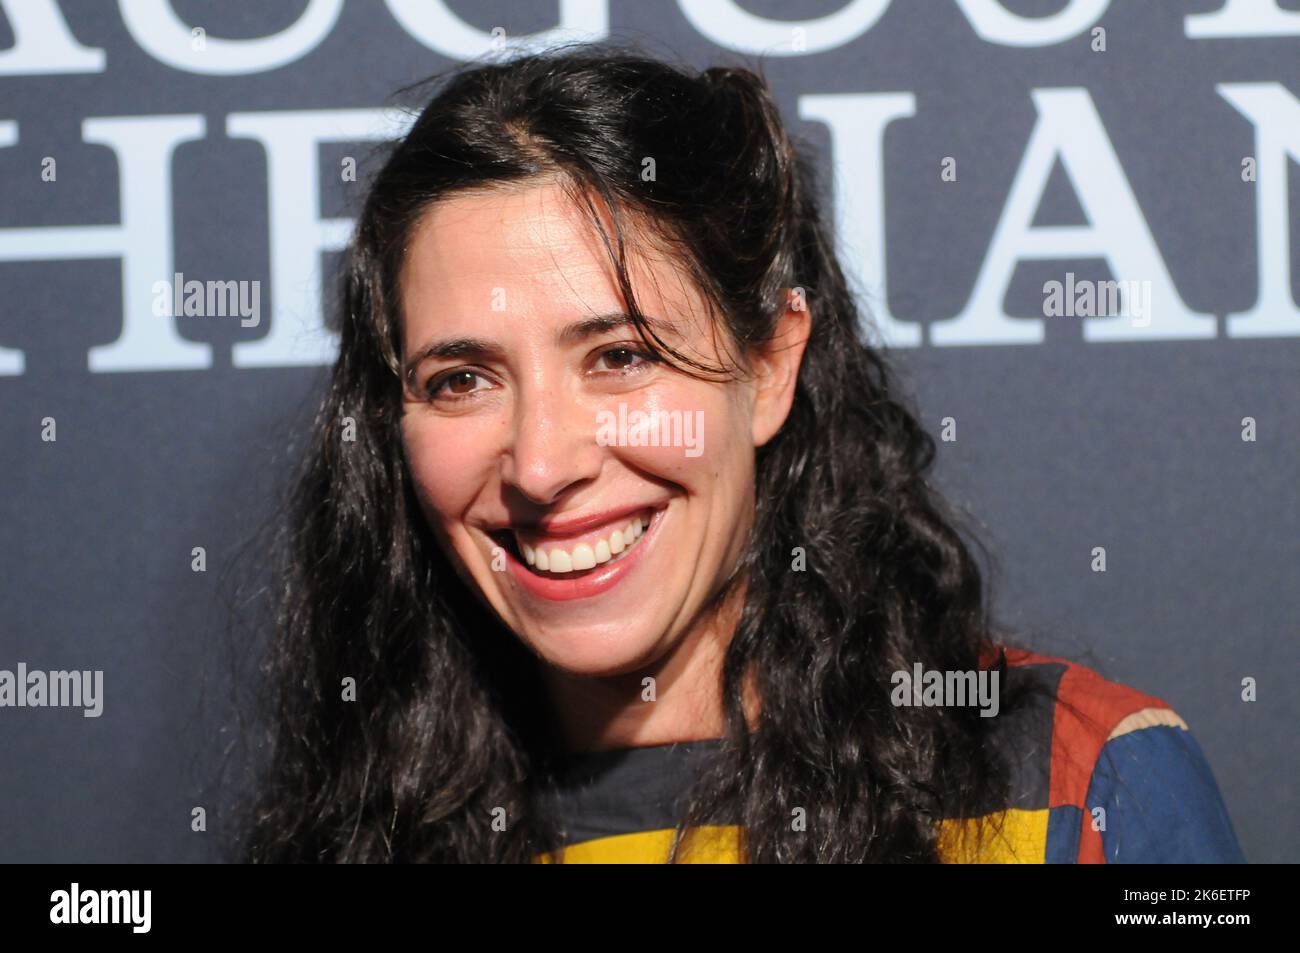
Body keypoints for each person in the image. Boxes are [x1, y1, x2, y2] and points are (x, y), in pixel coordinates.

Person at [239, 47, 1244, 863]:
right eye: (462, 379)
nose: (540, 465)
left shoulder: (1082, 788)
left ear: (768, 364)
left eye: (621, 355)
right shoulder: (358, 823)